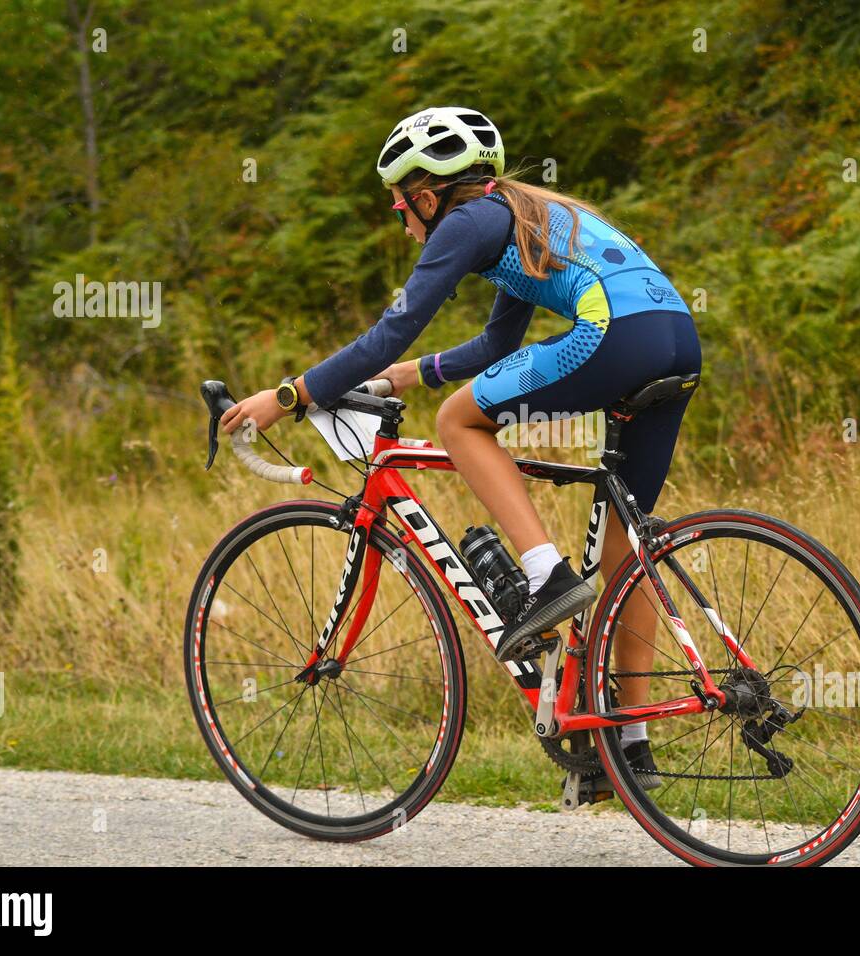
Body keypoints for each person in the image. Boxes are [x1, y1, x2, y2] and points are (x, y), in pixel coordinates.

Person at [221, 106, 701, 778]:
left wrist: (287, 397)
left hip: (616, 335)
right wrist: (409, 375)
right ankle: (631, 742)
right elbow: (498, 344)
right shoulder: (520, 212)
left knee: (458, 422)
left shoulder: (467, 224)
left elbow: (391, 329)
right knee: (627, 547)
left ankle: (546, 577)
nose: (405, 223)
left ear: (425, 195)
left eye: (400, 209)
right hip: (677, 338)